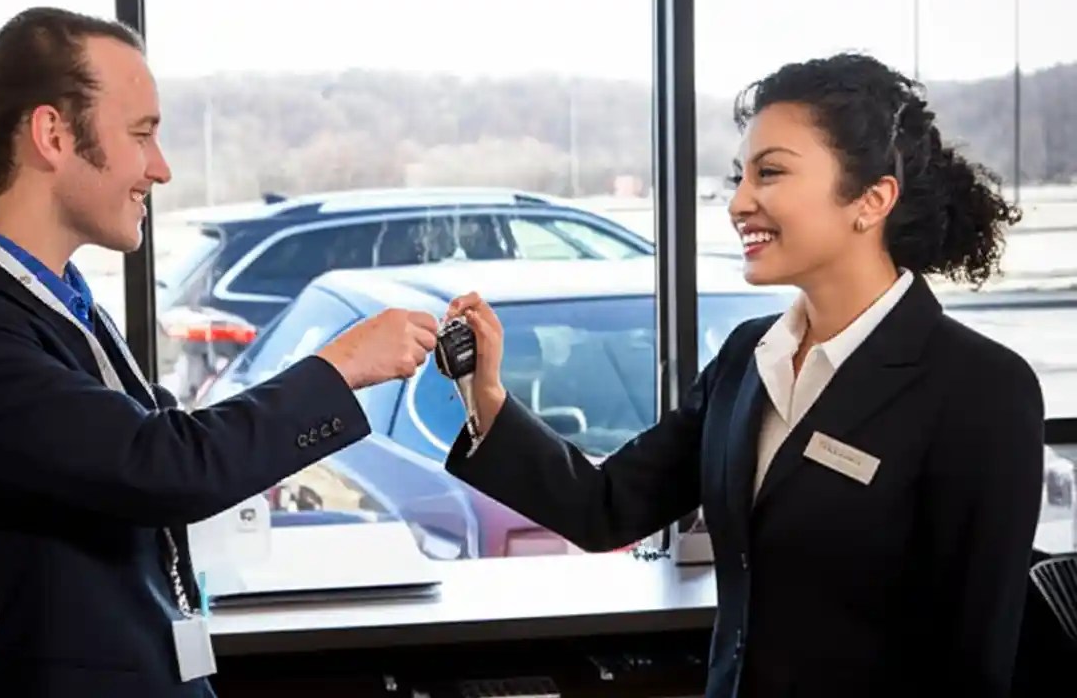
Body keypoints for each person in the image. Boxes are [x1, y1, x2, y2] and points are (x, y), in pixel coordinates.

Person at [0, 7, 436, 698]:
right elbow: (160, 464)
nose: (160, 168)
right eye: (142, 135)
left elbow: (169, 448)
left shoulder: (63, 300)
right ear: (52, 134)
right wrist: (342, 366)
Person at [443, 53, 1043, 698]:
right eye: (740, 176)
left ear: (871, 200)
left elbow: (973, 665)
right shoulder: (747, 356)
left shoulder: (980, 389)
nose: (737, 202)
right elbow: (606, 508)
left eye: (771, 173)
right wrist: (488, 400)